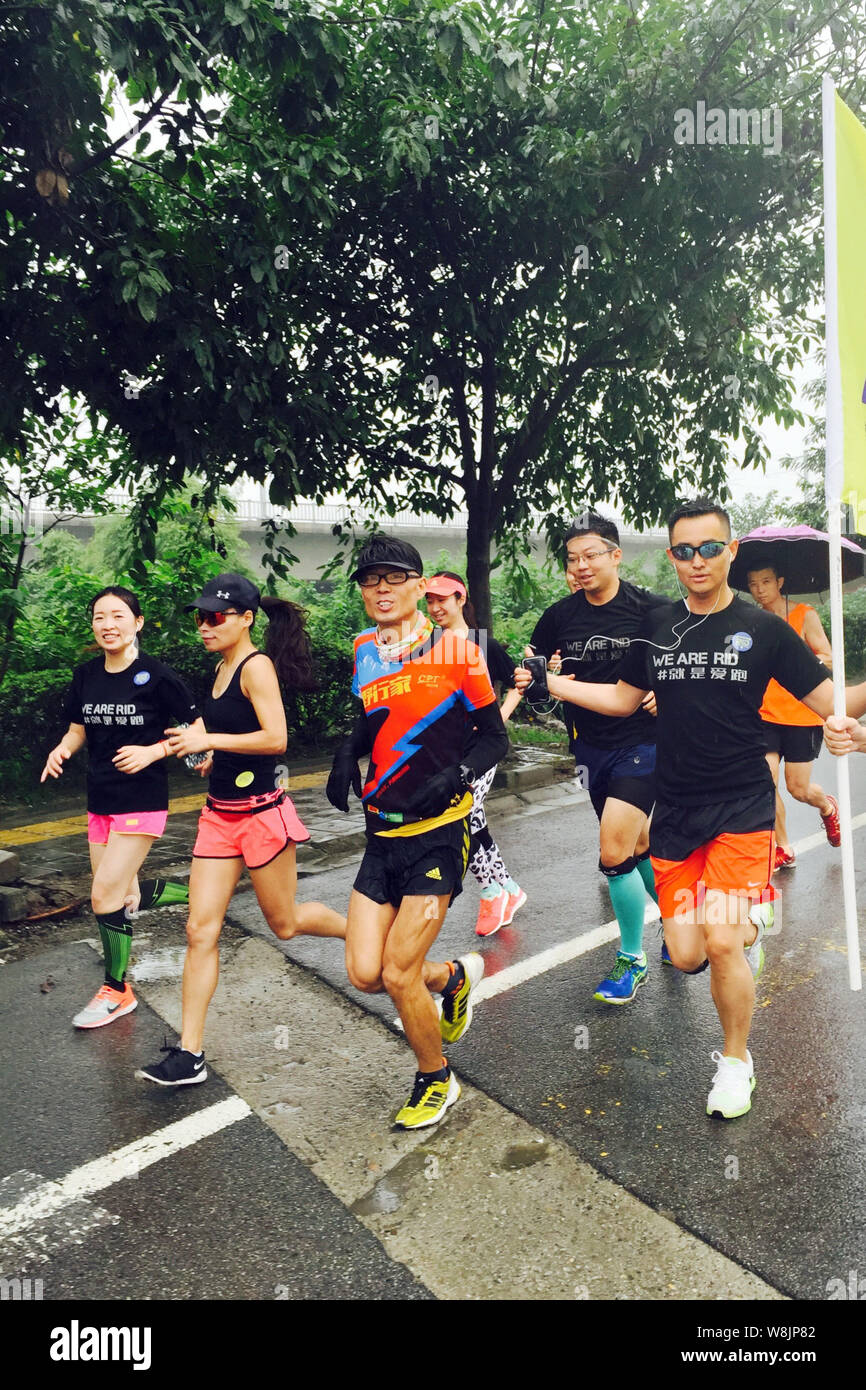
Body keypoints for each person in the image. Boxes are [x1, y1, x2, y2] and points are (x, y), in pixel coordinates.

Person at [518, 497, 839, 1119]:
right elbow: (618, 698)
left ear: (731, 552)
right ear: (672, 557)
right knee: (688, 953)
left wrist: (851, 723)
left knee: (719, 943)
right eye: (685, 551)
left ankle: (736, 1062)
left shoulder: (767, 630)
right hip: (675, 813)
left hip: (741, 806)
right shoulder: (659, 627)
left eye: (710, 548)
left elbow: (833, 701)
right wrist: (544, 680)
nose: (698, 560)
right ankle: (750, 921)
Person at [326, 536, 508, 1129]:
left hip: (438, 832)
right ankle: (453, 979)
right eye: (369, 579)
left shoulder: (458, 650)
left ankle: (436, 1078)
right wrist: (344, 756)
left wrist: (455, 776)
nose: (381, 588)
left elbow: (492, 737)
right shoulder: (362, 650)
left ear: (418, 585)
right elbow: (367, 719)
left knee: (399, 971)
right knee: (365, 972)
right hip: (382, 834)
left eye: (394, 578)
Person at [136, 574, 346, 1086]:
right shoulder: (220, 666)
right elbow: (227, 735)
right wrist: (202, 750)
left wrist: (209, 738)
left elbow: (275, 738)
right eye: (200, 617)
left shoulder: (256, 667)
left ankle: (364, 933)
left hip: (259, 816)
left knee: (287, 923)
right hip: (219, 815)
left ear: (246, 619)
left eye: (215, 617)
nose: (204, 626)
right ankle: (190, 1054)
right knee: (198, 929)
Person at [527, 514, 668, 1004]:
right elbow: (532, 671)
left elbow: (689, 655)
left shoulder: (651, 609)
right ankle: (676, 923)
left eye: (590, 555)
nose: (581, 566)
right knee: (639, 845)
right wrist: (535, 674)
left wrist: (666, 691)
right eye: (572, 558)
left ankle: (632, 958)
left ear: (615, 555)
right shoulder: (560, 616)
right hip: (589, 746)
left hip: (644, 743)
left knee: (612, 852)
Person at [41, 587, 196, 1029]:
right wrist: (62, 749)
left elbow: (196, 731)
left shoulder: (159, 676)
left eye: (118, 615)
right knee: (122, 898)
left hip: (141, 799)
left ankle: (117, 989)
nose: (108, 624)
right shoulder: (87, 674)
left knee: (103, 896)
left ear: (138, 622)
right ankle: (202, 897)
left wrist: (154, 752)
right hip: (101, 799)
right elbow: (77, 730)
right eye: (99, 617)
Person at [424, 571, 525, 937]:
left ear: (461, 599)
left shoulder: (485, 644)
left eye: (443, 600)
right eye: (430, 601)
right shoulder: (427, 645)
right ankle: (509, 889)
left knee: (461, 816)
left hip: (482, 747)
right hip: (446, 748)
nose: (436, 607)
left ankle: (490, 892)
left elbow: (518, 681)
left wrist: (499, 717)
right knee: (472, 816)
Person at [746, 563, 838, 869]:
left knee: (798, 789)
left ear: (780, 582)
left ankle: (826, 806)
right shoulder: (752, 621)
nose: (759, 589)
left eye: (766, 582)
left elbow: (828, 657)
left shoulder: (804, 614)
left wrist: (797, 656)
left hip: (802, 714)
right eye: (753, 583)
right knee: (765, 781)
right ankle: (782, 846)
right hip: (764, 713)